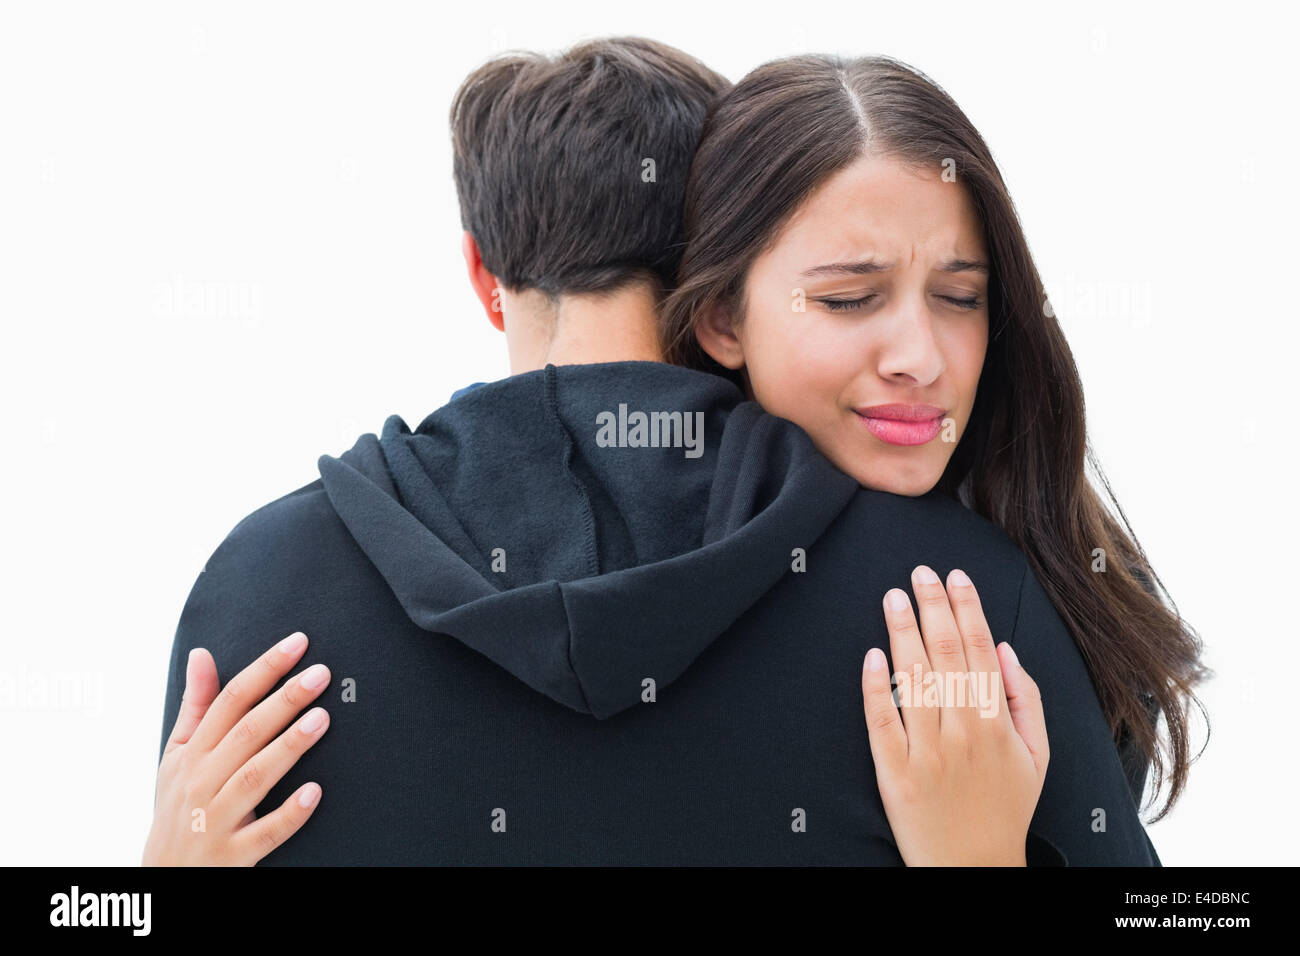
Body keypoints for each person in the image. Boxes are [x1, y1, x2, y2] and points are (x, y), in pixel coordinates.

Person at [146, 38, 1170, 865]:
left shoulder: (260, 588)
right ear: (716, 284)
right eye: (850, 294)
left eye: (958, 295)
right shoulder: (954, 613)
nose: (916, 356)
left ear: (482, 273)